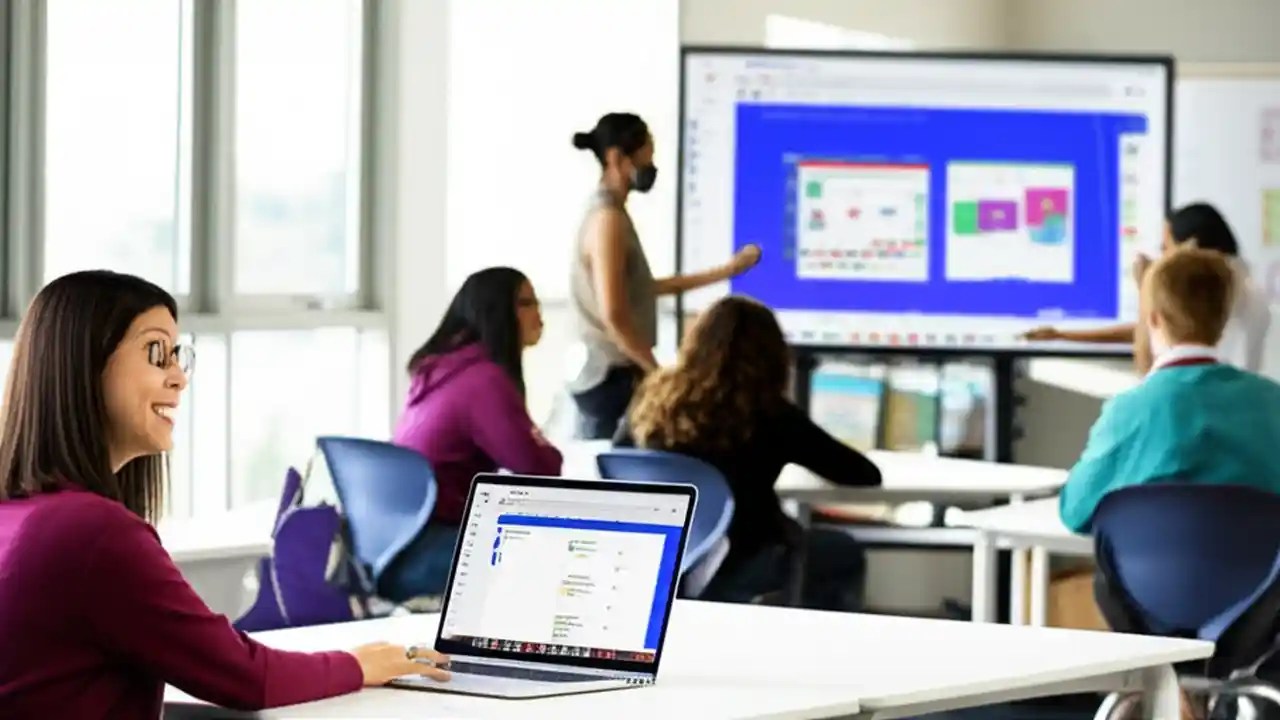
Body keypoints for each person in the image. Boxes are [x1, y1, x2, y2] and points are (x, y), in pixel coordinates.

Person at [0, 270, 450, 718]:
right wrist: (360, 664)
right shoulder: (91, 532)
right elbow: (245, 676)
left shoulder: (21, 514)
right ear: (83, 366)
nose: (179, 378)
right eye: (156, 354)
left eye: (178, 356)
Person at [615, 296, 882, 611]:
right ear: (773, 356)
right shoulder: (769, 411)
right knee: (842, 551)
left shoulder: (653, 400)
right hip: (747, 562)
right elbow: (863, 474)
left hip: (666, 560)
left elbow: (619, 458)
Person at [569, 112, 763, 439]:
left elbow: (645, 288)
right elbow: (614, 314)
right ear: (616, 158)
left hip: (615, 373)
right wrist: (656, 372)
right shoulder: (607, 221)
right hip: (612, 378)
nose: (651, 167)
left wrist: (729, 271)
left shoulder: (612, 215)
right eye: (645, 157)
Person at [1058, 248, 1280, 533]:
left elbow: (1075, 510)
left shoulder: (1128, 410)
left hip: (1145, 563)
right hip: (1258, 561)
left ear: (1154, 319)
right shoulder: (1272, 401)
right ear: (1223, 318)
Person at [391, 267, 562, 600]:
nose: (539, 314)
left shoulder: (439, 368)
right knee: (560, 559)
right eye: (526, 303)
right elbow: (540, 468)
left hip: (399, 541)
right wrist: (545, 447)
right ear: (497, 312)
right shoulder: (483, 380)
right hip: (430, 546)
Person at [1026, 202, 1271, 373]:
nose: (1162, 257)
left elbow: (1147, 368)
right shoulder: (1241, 285)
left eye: (1166, 248)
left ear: (1190, 248)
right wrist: (1063, 335)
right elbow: (1157, 326)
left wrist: (1147, 287)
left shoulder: (1215, 293)